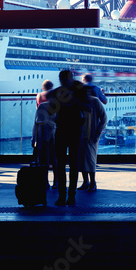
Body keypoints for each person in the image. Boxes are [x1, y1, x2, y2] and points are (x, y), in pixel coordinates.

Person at [45, 69, 89, 206]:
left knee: (64, 164)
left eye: (64, 79)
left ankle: (66, 196)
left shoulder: (77, 89)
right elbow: (51, 109)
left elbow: (88, 106)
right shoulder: (64, 90)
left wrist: (71, 100)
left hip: (69, 129)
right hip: (69, 129)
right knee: (67, 164)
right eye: (61, 79)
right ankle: (68, 196)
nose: (63, 82)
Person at [78, 93, 108, 192]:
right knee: (82, 158)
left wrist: (98, 131)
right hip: (81, 135)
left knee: (90, 158)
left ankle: (93, 182)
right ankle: (86, 182)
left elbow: (104, 117)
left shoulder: (95, 101)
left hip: (92, 134)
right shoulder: (79, 102)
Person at [33, 92, 58, 188]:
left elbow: (36, 123)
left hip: (43, 136)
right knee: (55, 159)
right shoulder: (58, 106)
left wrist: (33, 138)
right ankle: (56, 182)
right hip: (54, 135)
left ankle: (45, 181)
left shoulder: (42, 106)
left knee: (44, 160)